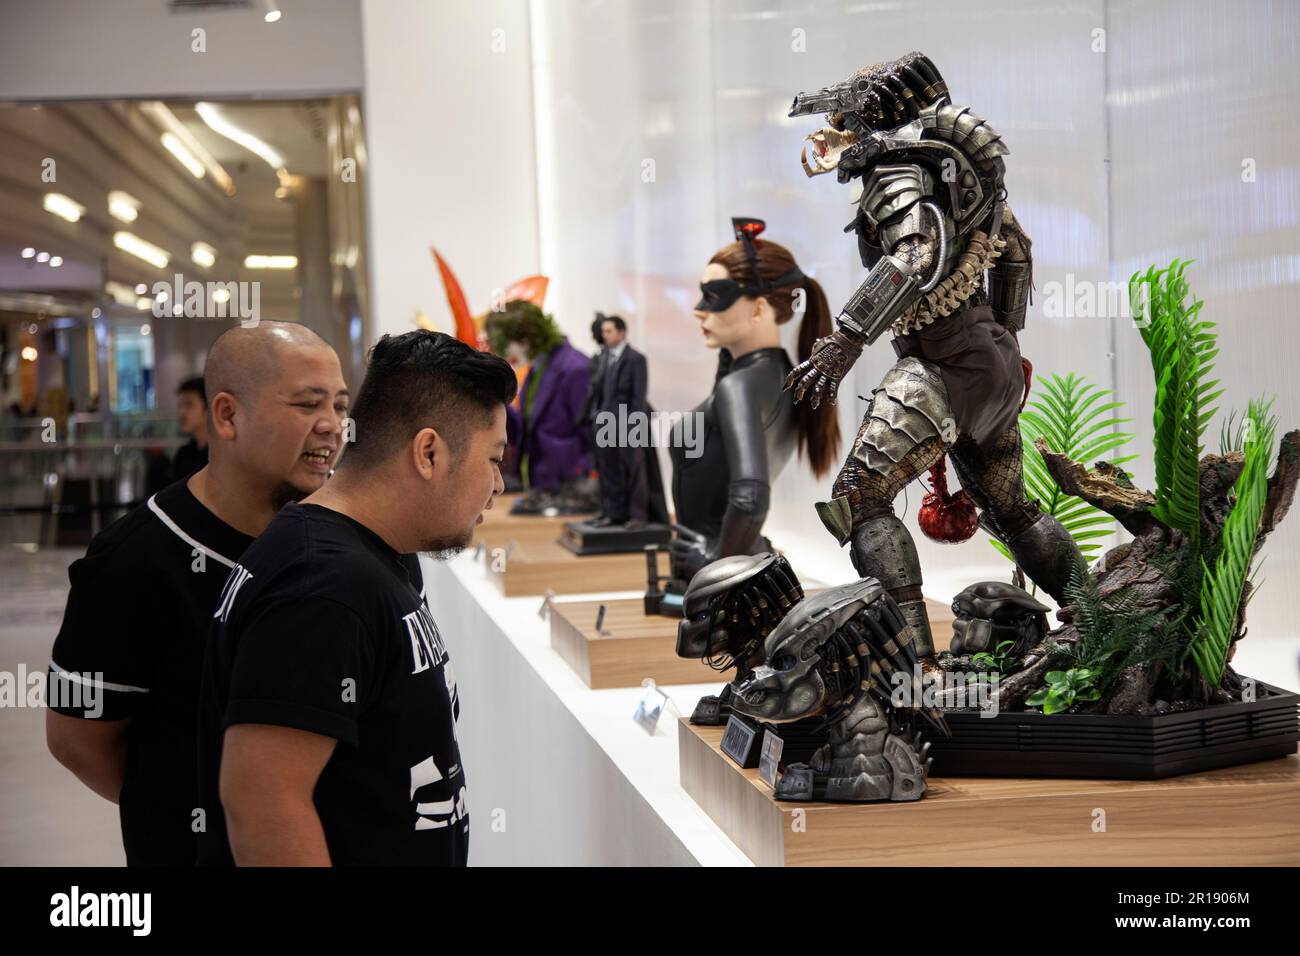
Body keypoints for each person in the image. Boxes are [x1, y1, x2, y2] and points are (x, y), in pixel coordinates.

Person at [197, 330, 517, 866]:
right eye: (493, 459)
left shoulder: (373, 559)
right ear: (429, 452)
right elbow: (262, 804)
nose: (499, 485)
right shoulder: (321, 587)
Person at [46, 321, 349, 866]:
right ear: (228, 415)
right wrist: (194, 812)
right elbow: (78, 739)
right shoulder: (131, 562)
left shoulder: (341, 543)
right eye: (308, 405)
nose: (331, 426)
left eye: (341, 406)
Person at [669, 218, 840, 581]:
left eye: (714, 296)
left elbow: (750, 499)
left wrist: (713, 565)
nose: (699, 308)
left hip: (721, 579)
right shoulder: (783, 378)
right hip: (744, 565)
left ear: (759, 309)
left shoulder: (741, 387)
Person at [486, 300, 590, 490]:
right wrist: (495, 397)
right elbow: (525, 431)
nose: (501, 353)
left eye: (503, 345)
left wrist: (584, 483)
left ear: (526, 339)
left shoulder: (576, 369)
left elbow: (595, 436)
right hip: (541, 489)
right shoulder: (537, 370)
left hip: (569, 491)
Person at [588, 313, 651, 528]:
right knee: (608, 470)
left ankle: (637, 516)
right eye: (603, 331)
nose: (604, 335)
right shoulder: (604, 357)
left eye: (609, 331)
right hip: (604, 423)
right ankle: (612, 512)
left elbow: (638, 397)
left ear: (621, 332)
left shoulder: (636, 359)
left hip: (627, 424)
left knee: (633, 470)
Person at [172, 376, 210, 481]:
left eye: (189, 405)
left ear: (208, 408)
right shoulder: (184, 453)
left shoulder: (217, 455)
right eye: (180, 406)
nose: (182, 413)